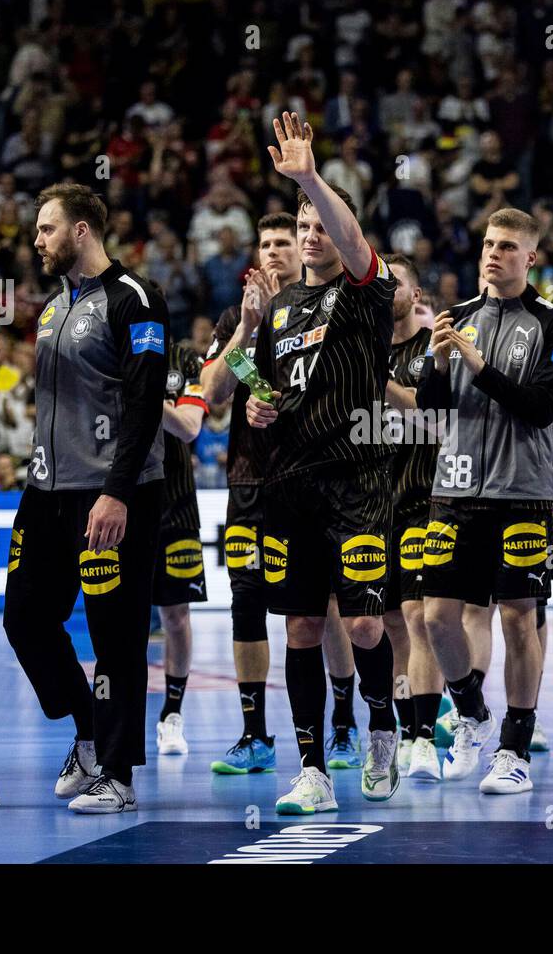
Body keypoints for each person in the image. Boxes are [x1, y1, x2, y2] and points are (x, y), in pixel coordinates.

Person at [246, 113, 400, 814]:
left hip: (357, 478)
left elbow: (356, 244)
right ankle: (311, 767)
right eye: (302, 225)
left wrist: (309, 175)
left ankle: (382, 726)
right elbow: (265, 381)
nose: (311, 235)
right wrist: (255, 403)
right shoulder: (278, 311)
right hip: (288, 483)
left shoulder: (367, 291)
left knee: (365, 624)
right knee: (301, 627)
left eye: (319, 224)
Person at [5, 182, 168, 814]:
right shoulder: (52, 307)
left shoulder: (136, 299)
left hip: (112, 495)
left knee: (116, 632)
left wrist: (117, 492)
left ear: (80, 231)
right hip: (46, 490)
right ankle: (89, 730)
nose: (37, 240)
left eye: (46, 229)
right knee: (24, 618)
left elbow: (146, 399)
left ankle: (119, 775)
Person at [416, 207, 553, 794]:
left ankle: (515, 746)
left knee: (517, 617)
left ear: (530, 258)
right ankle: (471, 712)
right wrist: (438, 363)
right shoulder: (454, 319)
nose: (493, 253)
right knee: (437, 617)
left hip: (522, 493)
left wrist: (477, 365)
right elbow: (433, 410)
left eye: (508, 246)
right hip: (454, 487)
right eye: (488, 243)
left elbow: (541, 408)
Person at [200, 213, 299, 774]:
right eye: (266, 245)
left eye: (283, 243)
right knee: (246, 604)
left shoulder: (319, 308)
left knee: (315, 606)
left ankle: (339, 727)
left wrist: (275, 399)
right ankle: (254, 733)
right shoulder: (237, 318)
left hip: (306, 479)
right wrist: (246, 328)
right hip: (247, 480)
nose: (275, 252)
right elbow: (213, 393)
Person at [379, 254, 446, 779]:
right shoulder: (363, 349)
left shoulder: (432, 350)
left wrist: (381, 384)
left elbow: (434, 419)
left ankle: (425, 735)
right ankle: (407, 729)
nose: (387, 290)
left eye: (396, 282)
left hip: (425, 500)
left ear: (416, 295)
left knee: (420, 619)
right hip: (373, 505)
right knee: (389, 628)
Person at [151, 337, 210, 755]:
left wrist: (139, 395)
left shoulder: (185, 359)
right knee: (119, 618)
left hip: (177, 505)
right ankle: (113, 715)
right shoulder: (107, 350)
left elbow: (189, 428)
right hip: (121, 500)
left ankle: (172, 712)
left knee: (176, 615)